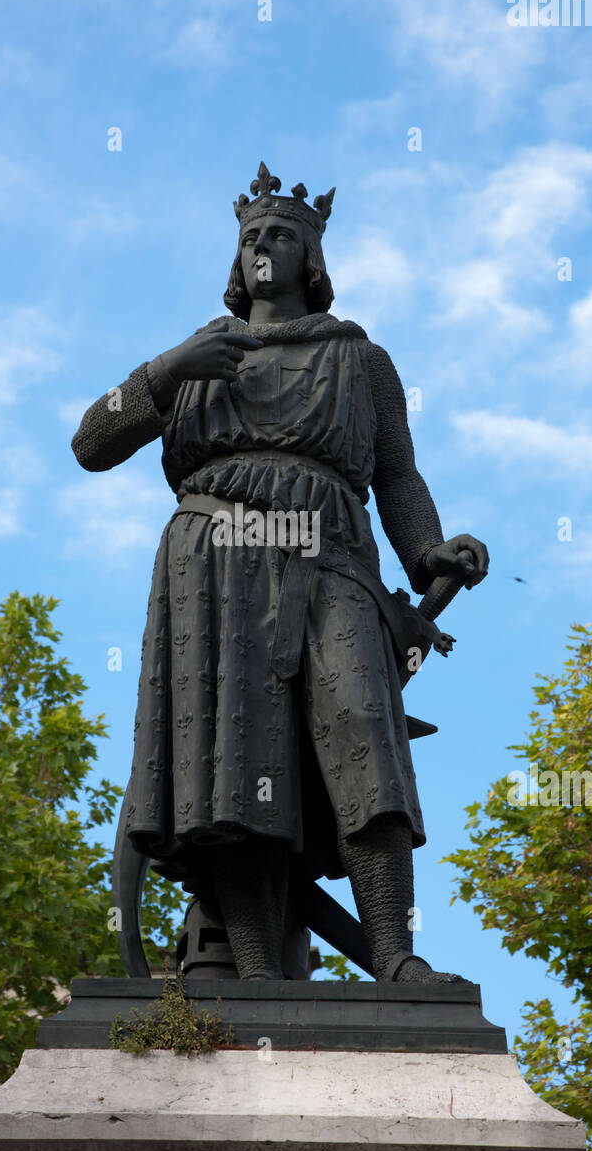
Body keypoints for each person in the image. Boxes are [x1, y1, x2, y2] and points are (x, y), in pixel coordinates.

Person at [72, 163, 488, 983]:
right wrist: (168, 369)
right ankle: (255, 974)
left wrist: (427, 552)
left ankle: (397, 958)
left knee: (364, 736)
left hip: (331, 557)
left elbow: (397, 476)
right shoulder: (195, 357)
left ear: (313, 260)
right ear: (238, 260)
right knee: (233, 763)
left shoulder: (360, 359)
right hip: (212, 565)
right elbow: (91, 443)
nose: (265, 245)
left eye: (283, 235)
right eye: (252, 236)